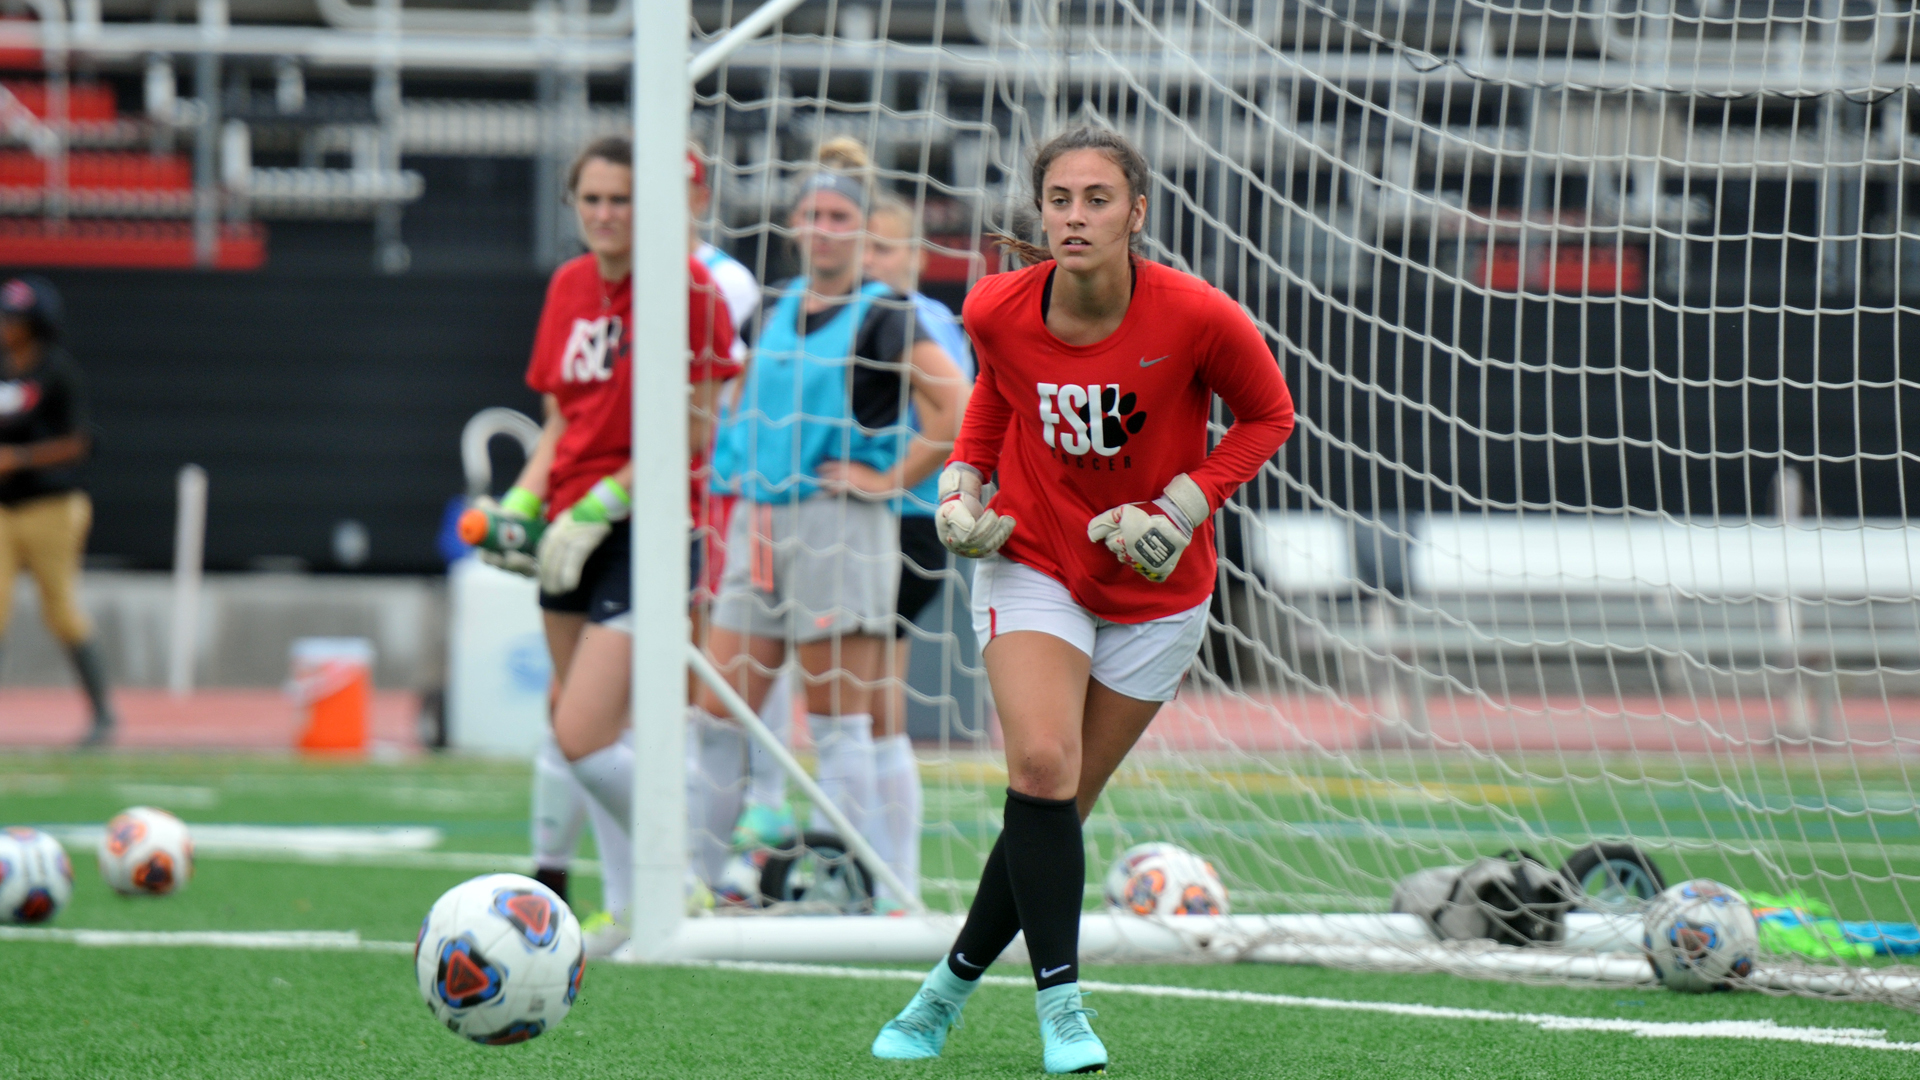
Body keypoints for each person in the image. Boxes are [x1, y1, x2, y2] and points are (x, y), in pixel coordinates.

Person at [869, 127, 1295, 1073]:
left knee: (1053, 805)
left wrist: (1184, 505)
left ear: (1136, 214)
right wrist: (959, 489)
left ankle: (942, 993)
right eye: (1060, 199)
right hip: (1036, 559)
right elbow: (994, 398)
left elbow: (1270, 415)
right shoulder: (994, 306)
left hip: (1158, 589)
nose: (1075, 216)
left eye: (1098, 199)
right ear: (1041, 210)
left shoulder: (1197, 316)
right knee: (1042, 760)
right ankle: (1063, 1010)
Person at [487, 135, 737, 956]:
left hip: (654, 528)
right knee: (594, 740)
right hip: (570, 526)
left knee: (583, 734)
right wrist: (524, 500)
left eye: (619, 199)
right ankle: (634, 910)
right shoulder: (567, 285)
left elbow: (699, 426)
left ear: (654, 204)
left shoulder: (693, 290)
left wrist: (610, 498)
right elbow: (561, 419)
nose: (602, 214)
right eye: (589, 199)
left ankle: (681, 874)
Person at [695, 137, 965, 897]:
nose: (835, 233)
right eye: (813, 215)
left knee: (863, 718)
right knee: (734, 709)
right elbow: (737, 403)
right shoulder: (784, 308)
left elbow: (957, 409)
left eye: (857, 226)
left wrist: (888, 478)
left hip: (868, 526)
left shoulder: (902, 319)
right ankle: (709, 875)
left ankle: (879, 884)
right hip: (779, 523)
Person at [0, 276, 117, 747]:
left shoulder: (57, 372)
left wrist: (22, 458)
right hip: (4, 509)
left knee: (62, 611)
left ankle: (103, 713)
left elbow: (81, 441)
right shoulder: (3, 371)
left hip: (52, 506)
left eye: (15, 319)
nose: (6, 326)